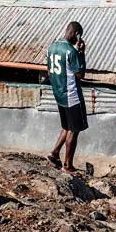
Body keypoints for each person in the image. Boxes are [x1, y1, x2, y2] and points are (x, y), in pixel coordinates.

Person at [46, 21, 88, 173]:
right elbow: (81, 74)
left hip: (59, 94)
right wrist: (82, 53)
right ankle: (68, 165)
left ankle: (54, 153)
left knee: (66, 126)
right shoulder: (71, 51)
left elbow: (49, 73)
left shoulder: (52, 47)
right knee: (74, 130)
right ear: (77, 35)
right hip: (72, 95)